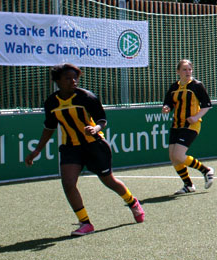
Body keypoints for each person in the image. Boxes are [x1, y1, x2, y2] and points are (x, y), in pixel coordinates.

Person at [25, 63, 145, 236]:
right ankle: (85, 223)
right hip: (70, 148)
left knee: (109, 181)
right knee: (68, 183)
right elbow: (49, 128)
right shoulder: (51, 102)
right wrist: (37, 150)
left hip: (94, 146)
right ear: (58, 81)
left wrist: (96, 128)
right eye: (68, 78)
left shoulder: (86, 97)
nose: (73, 81)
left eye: (75, 78)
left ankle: (133, 203)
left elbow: (102, 120)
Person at [161, 59, 214, 194]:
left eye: (189, 69)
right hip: (176, 125)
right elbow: (168, 103)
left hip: (191, 125)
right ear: (178, 72)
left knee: (179, 155)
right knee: (173, 157)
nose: (188, 72)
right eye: (184, 69)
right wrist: (166, 107)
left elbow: (207, 105)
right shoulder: (174, 87)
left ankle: (206, 170)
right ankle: (188, 185)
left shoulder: (197, 85)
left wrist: (196, 117)